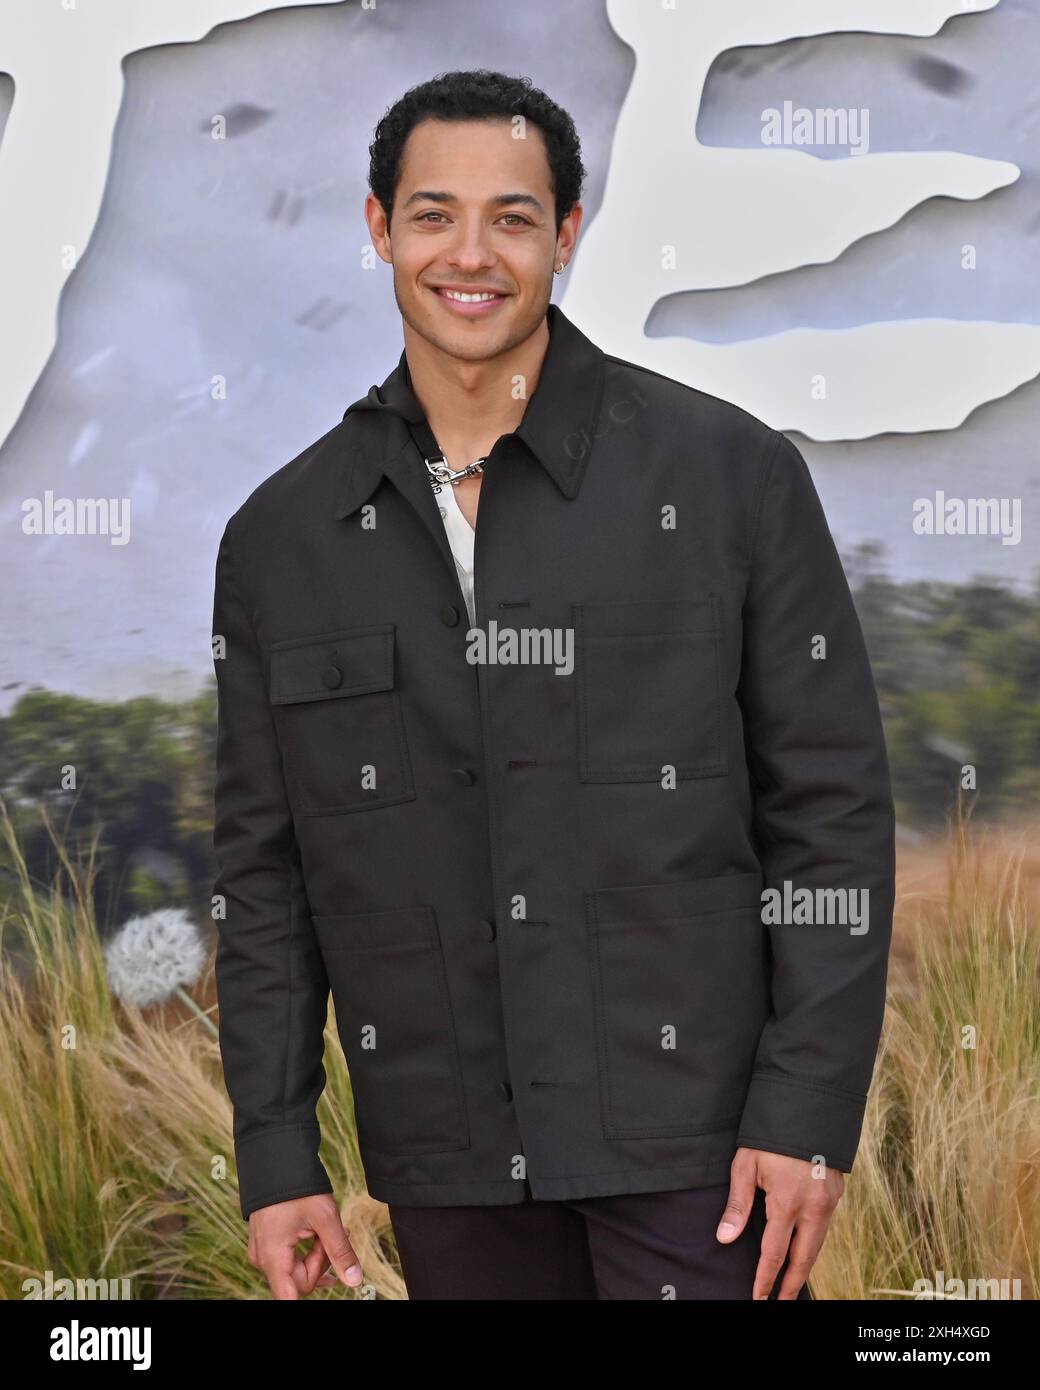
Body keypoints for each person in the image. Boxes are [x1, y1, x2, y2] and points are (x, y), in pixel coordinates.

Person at [211, 69, 896, 1301]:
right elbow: (265, 878)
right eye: (431, 214)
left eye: (513, 217)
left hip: (700, 1155)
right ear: (377, 229)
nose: (470, 253)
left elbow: (829, 819)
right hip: (443, 1162)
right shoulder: (280, 542)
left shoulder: (730, 478)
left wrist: (805, 1107)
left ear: (566, 236)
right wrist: (274, 1151)